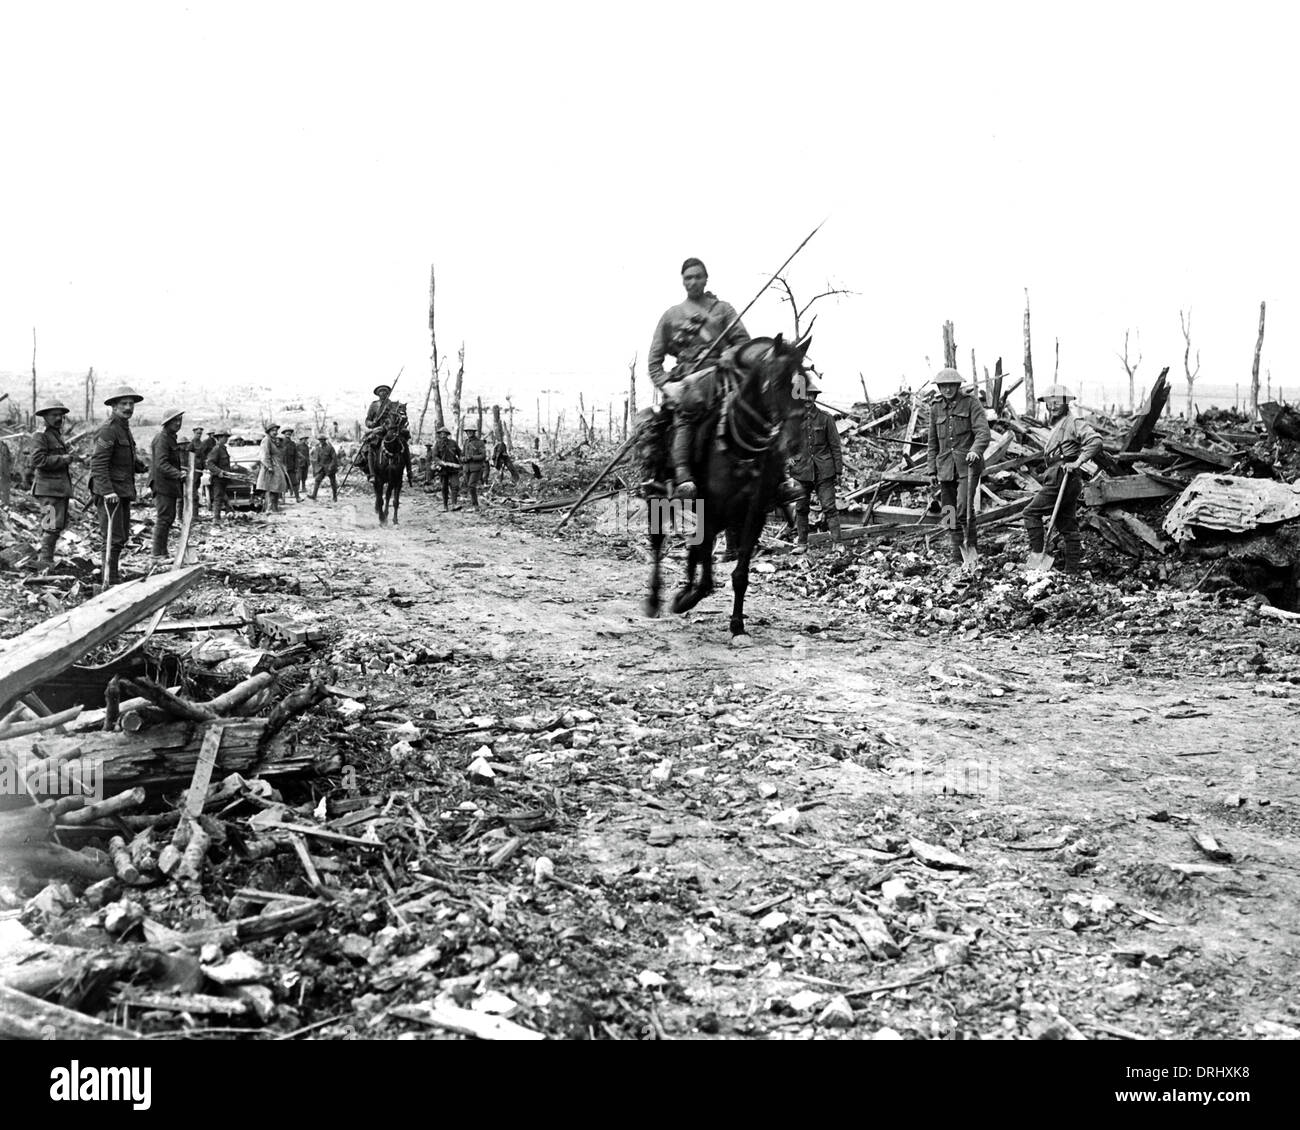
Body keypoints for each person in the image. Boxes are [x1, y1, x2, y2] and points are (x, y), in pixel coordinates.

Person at [647, 257, 751, 498]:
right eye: (688, 277)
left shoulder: (723, 309)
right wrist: (668, 386)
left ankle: (776, 480)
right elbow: (654, 363)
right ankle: (683, 477)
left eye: (697, 276)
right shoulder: (671, 315)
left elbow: (744, 342)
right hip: (689, 381)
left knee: (755, 409)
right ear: (682, 281)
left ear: (706, 279)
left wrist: (731, 352)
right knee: (687, 412)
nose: (693, 281)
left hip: (724, 376)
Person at [1023, 384, 1102, 572]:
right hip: (1061, 476)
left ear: (1066, 403)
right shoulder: (1058, 425)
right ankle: (1072, 570)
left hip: (1064, 476)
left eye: (1057, 402)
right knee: (1067, 525)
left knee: (1030, 513)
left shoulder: (1073, 423)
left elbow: (1095, 441)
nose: (1052, 406)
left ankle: (1037, 556)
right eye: (1049, 403)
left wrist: (1078, 462)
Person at [926, 367, 991, 564]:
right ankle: (957, 553)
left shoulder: (971, 403)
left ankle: (970, 549)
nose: (947, 390)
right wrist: (931, 469)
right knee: (948, 511)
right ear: (939, 387)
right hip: (945, 466)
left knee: (963, 509)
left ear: (958, 385)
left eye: (951, 385)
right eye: (943, 386)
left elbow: (983, 433)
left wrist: (975, 450)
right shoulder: (935, 407)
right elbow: (932, 442)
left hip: (967, 466)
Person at [90, 385, 149, 585]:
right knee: (112, 537)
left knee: (121, 536)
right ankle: (108, 578)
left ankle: (112, 574)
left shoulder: (124, 428)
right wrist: (107, 491)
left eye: (131, 403)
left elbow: (120, 458)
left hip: (122, 490)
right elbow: (98, 463)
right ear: (113, 406)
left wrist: (138, 466)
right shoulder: (108, 430)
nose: (128, 407)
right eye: (123, 403)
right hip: (110, 492)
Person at [790, 379, 844, 554]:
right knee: (801, 507)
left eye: (810, 395)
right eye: (803, 395)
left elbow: (835, 445)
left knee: (829, 507)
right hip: (800, 471)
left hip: (824, 470)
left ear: (814, 397)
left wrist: (838, 470)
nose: (807, 398)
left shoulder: (826, 418)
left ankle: (837, 543)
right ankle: (802, 544)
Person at [28, 399, 78, 568]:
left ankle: (47, 559)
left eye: (60, 415)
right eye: (54, 415)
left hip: (57, 489)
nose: (58, 418)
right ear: (45, 416)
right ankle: (44, 561)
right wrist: (63, 459)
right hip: (48, 490)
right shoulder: (40, 435)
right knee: (50, 525)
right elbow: (38, 460)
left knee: (57, 525)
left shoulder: (55, 434)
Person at [148, 407, 188, 560]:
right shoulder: (162, 438)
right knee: (164, 518)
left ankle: (162, 552)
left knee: (168, 518)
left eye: (180, 420)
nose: (178, 423)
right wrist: (178, 474)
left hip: (168, 484)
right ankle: (157, 554)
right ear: (167, 423)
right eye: (175, 421)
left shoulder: (170, 438)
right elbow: (161, 464)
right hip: (162, 484)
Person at [205, 428, 237, 520]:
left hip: (224, 478)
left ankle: (229, 513)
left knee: (223, 496)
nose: (226, 439)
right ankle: (216, 519)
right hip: (218, 479)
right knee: (218, 498)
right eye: (224, 437)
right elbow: (209, 463)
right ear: (218, 438)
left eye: (227, 437)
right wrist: (219, 472)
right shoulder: (216, 449)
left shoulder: (223, 448)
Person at [256, 423, 290, 513]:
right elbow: (264, 455)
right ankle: (269, 510)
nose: (275, 432)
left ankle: (275, 509)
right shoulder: (266, 440)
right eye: (273, 431)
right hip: (271, 468)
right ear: (268, 432)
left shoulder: (273, 440)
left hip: (277, 466)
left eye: (276, 431)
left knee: (276, 488)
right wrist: (269, 466)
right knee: (271, 489)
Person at [433, 426, 462, 511]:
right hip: (443, 469)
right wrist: (440, 462)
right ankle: (445, 506)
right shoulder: (437, 444)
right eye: (441, 433)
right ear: (439, 435)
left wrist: (462, 462)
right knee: (444, 487)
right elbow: (434, 456)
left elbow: (460, 453)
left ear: (447, 434)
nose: (443, 435)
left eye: (445, 433)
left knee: (455, 485)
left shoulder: (453, 443)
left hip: (453, 468)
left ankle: (454, 504)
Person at [462, 425, 488, 510]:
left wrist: (472, 457)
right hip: (467, 468)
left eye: (471, 431)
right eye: (468, 431)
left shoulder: (480, 442)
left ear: (474, 432)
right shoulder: (465, 442)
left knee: (471, 485)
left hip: (476, 468)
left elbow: (483, 456)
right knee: (468, 485)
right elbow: (462, 454)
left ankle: (475, 504)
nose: (469, 433)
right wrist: (463, 458)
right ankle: (473, 502)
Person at [190, 426, 213, 515]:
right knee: (193, 492)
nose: (199, 435)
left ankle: (195, 514)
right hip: (193, 469)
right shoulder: (191, 444)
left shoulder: (201, 443)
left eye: (200, 433)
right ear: (194, 433)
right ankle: (193, 514)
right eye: (197, 433)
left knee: (196, 488)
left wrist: (205, 466)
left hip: (199, 469)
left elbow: (203, 456)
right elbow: (188, 456)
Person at [310, 434, 339, 501]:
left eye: (322, 440)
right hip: (322, 468)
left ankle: (335, 497)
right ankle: (314, 495)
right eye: (320, 440)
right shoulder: (318, 448)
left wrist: (331, 466)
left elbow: (334, 458)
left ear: (325, 440)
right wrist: (317, 466)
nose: (321, 441)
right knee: (317, 480)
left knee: (333, 483)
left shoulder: (330, 448)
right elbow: (317, 458)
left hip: (329, 468)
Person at [280, 427, 302, 502]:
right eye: (286, 432)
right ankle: (282, 499)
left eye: (289, 432)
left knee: (295, 482)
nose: (288, 434)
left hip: (291, 467)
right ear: (284, 434)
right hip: (281, 467)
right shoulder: (280, 443)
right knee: (281, 483)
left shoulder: (293, 444)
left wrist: (296, 466)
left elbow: (296, 456)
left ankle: (297, 497)